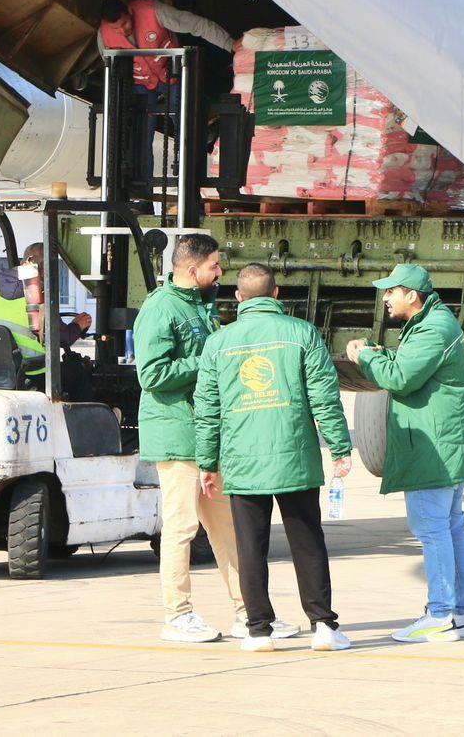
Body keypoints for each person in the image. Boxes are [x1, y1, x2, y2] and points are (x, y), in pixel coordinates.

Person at [135, 234, 299, 644]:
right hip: (178, 435)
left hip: (209, 437)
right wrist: (209, 358)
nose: (220, 272)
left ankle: (250, 612)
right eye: (214, 266)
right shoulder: (161, 309)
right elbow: (152, 375)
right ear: (193, 270)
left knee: (228, 530)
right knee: (181, 528)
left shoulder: (199, 306)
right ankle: (178, 615)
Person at [194, 262, 354, 653]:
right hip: (294, 458)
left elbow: (207, 408)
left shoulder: (218, 344)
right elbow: (324, 397)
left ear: (238, 298)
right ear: (277, 294)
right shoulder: (302, 335)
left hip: (243, 462)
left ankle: (258, 629)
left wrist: (207, 462)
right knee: (307, 541)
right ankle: (323, 626)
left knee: (251, 546)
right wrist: (340, 447)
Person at [347, 263, 464, 643]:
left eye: (391, 291)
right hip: (446, 445)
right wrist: (383, 354)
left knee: (432, 528)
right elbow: (412, 369)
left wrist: (366, 358)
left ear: (412, 295)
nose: (385, 297)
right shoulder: (432, 325)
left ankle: (441, 614)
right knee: (451, 526)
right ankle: (462, 612)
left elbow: (399, 379)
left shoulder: (433, 329)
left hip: (434, 448)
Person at [96, 0, 236, 185]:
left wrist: (230, 45)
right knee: (140, 133)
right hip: (141, 85)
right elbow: (110, 70)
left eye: (125, 23)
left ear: (129, 11)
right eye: (116, 28)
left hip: (172, 74)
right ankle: (143, 193)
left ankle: (190, 183)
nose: (123, 30)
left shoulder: (154, 12)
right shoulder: (104, 36)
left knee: (185, 123)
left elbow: (197, 25)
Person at [0, 242, 91, 378]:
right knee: (80, 374)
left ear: (22, 262)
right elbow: (62, 339)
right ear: (44, 272)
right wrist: (78, 325)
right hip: (29, 372)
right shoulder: (37, 297)